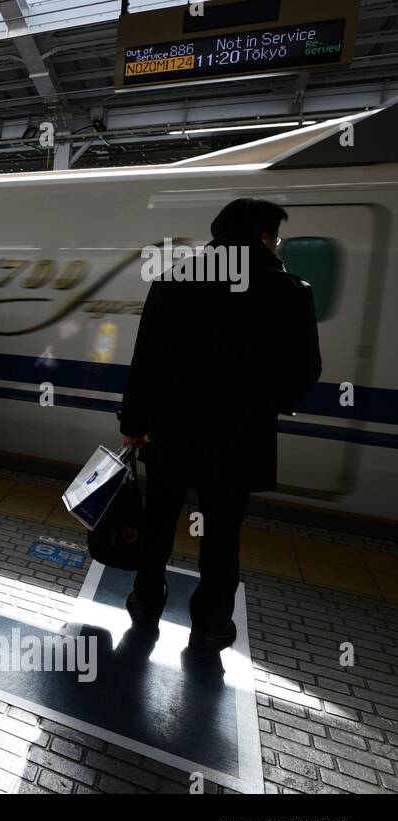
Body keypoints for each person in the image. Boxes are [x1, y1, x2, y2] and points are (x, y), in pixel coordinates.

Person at [120, 198, 321, 652]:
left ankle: (147, 602)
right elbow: (306, 370)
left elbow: (145, 363)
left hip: (171, 434)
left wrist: (134, 423)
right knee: (222, 535)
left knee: (159, 522)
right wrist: (270, 403)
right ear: (266, 237)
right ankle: (211, 623)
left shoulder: (172, 282)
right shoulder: (291, 291)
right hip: (240, 440)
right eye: (276, 236)